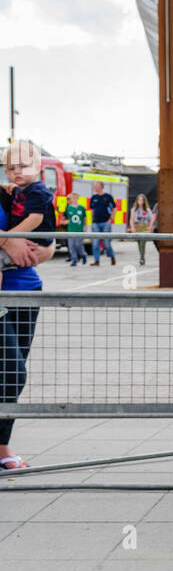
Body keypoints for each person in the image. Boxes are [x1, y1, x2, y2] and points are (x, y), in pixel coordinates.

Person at [0, 141, 56, 469]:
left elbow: (47, 243)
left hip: (27, 290)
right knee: (12, 371)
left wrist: (42, 251)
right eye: (11, 166)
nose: (16, 172)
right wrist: (6, 238)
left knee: (11, 373)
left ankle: (3, 448)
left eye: (23, 165)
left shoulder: (22, 193)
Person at [89, 181, 116, 266]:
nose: (94, 187)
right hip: (95, 223)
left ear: (100, 186)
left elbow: (114, 208)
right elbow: (92, 209)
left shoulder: (108, 197)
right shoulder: (94, 197)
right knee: (95, 243)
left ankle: (112, 256)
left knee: (106, 243)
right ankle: (96, 261)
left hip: (105, 222)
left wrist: (110, 219)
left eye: (95, 185)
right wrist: (92, 221)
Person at [129, 194, 154, 266]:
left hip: (144, 227)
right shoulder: (134, 209)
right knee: (139, 243)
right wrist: (132, 227)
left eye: (142, 200)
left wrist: (150, 227)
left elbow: (151, 219)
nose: (140, 201)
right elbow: (131, 219)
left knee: (143, 242)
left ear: (144, 201)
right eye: (139, 200)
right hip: (137, 227)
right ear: (137, 201)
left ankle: (142, 258)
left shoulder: (147, 210)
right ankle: (142, 257)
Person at [64, 192, 87, 266]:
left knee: (78, 245)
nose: (74, 199)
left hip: (79, 229)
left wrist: (85, 227)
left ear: (77, 198)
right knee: (71, 245)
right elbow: (63, 219)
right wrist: (66, 221)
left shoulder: (82, 208)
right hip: (71, 230)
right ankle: (74, 260)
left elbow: (84, 218)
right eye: (72, 198)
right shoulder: (68, 208)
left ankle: (83, 254)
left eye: (75, 198)